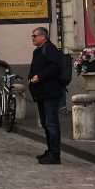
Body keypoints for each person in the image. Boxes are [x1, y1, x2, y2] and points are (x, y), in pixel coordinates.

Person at [28, 27, 64, 165]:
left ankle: (55, 154)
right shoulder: (38, 51)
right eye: (32, 36)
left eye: (35, 35)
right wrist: (30, 78)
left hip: (50, 92)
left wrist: (40, 76)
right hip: (41, 93)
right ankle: (50, 150)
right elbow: (35, 67)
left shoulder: (50, 49)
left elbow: (55, 67)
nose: (32, 38)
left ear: (43, 36)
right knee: (45, 123)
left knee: (51, 123)